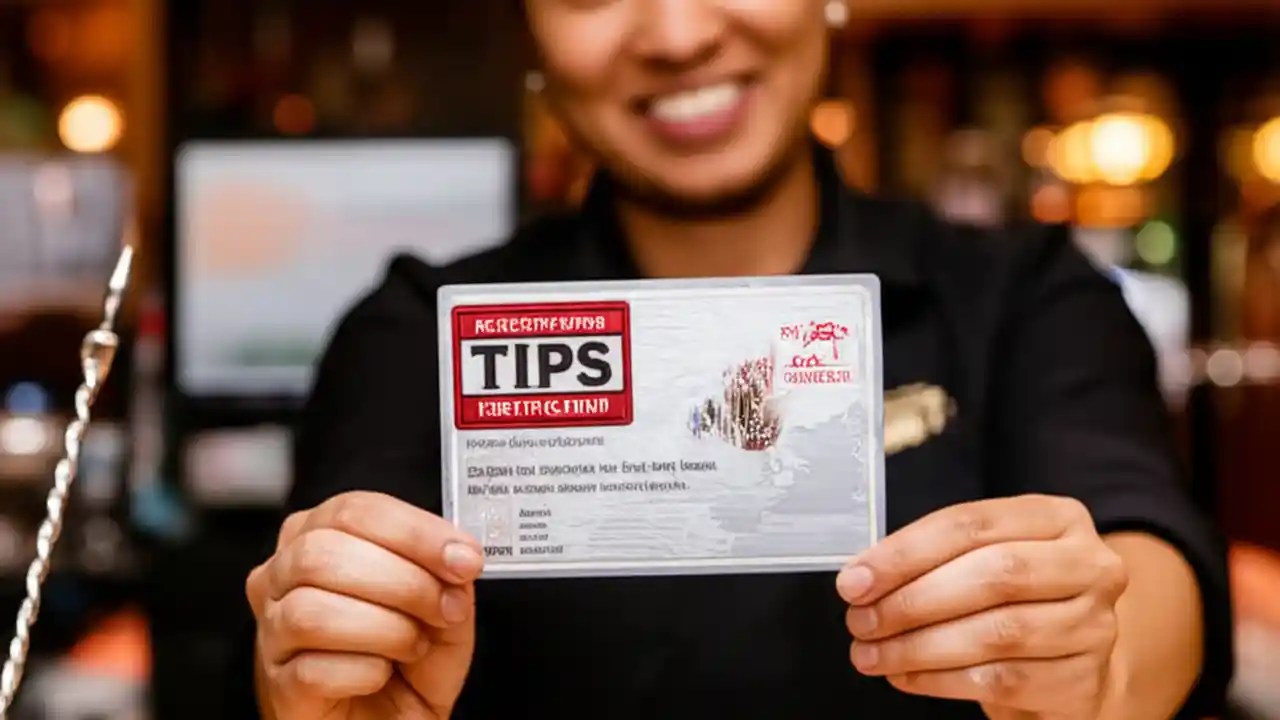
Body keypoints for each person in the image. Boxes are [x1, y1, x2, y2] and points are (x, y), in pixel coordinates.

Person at [237, 1, 1232, 718]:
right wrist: (324, 669)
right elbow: (333, 652)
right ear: (531, 34)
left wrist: (1092, 670)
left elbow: (1146, 556)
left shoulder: (1022, 293)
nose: (676, 34)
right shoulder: (417, 332)